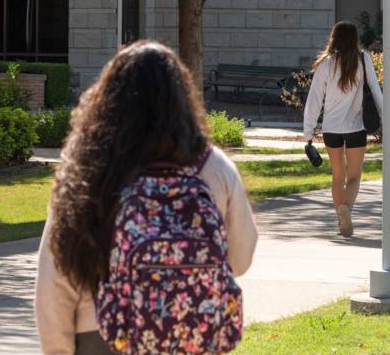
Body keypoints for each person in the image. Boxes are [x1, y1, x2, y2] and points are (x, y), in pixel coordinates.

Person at [35, 41, 258, 355]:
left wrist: (57, 349)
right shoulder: (213, 166)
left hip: (104, 332)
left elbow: (55, 279)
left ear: (108, 101)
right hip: (192, 334)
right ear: (183, 99)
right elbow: (240, 259)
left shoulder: (90, 168)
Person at [301, 20, 382, 238]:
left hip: (331, 129)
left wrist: (308, 131)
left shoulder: (326, 63)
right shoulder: (363, 60)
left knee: (338, 175)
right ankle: (346, 209)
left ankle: (340, 217)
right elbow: (375, 90)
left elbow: (314, 99)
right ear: (355, 39)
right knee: (354, 176)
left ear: (334, 38)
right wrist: (386, 119)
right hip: (356, 127)